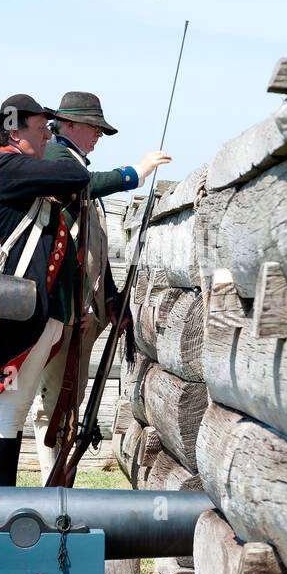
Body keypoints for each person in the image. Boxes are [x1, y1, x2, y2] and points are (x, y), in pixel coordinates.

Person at [29, 91, 171, 482]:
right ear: (70, 124)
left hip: (82, 308)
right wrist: (134, 174)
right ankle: (51, 486)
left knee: (69, 400)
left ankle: (60, 486)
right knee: (56, 402)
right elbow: (88, 183)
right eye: (95, 128)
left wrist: (109, 297)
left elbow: (94, 245)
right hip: (60, 307)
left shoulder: (73, 165)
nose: (99, 137)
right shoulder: (58, 159)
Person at [0, 93, 92, 486]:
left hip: (26, 317)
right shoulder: (4, 167)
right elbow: (76, 177)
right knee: (8, 407)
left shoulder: (15, 170)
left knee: (13, 409)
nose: (48, 137)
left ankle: (6, 500)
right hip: (11, 321)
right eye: (40, 129)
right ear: (14, 132)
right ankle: (1, 501)